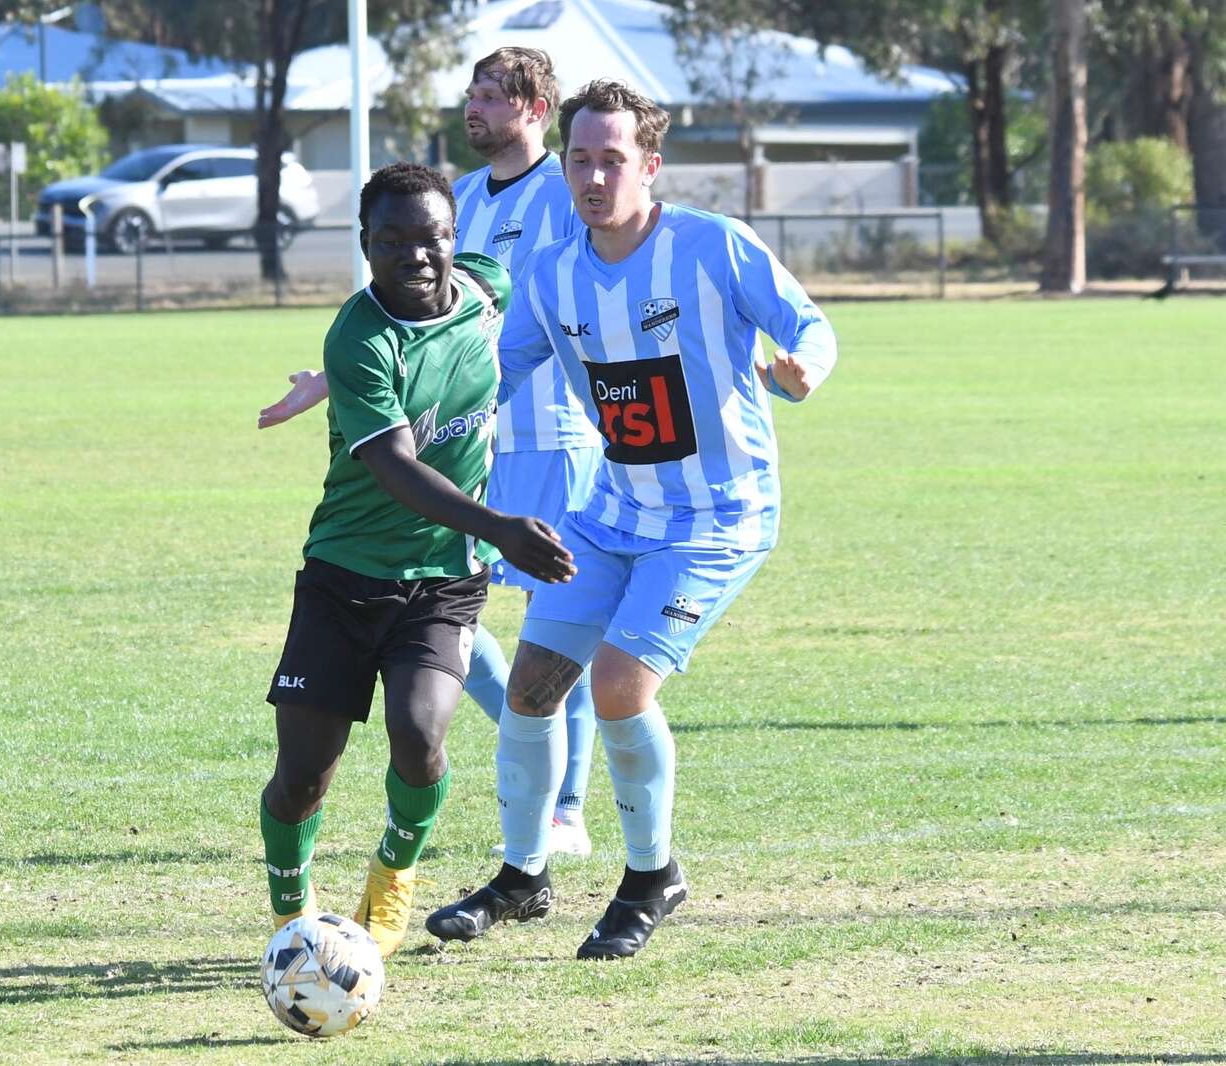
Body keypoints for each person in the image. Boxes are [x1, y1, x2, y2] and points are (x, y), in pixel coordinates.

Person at [423, 80, 838, 960]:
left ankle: (652, 876)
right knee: (535, 685)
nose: (594, 177)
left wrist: (804, 363)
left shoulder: (712, 247)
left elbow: (809, 323)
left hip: (716, 516)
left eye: (613, 160)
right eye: (580, 159)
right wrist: (378, 396)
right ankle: (523, 875)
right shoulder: (555, 272)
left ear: (650, 165)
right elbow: (488, 369)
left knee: (618, 685)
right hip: (613, 512)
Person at [259, 47, 606, 859]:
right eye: (471, 92)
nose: (473, 106)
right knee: (466, 626)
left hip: (551, 435)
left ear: (536, 107)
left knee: (558, 623)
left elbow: (589, 292)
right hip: (462, 446)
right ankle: (510, 749)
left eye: (491, 95)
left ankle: (566, 804)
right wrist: (337, 383)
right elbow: (410, 322)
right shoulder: (466, 198)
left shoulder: (567, 194)